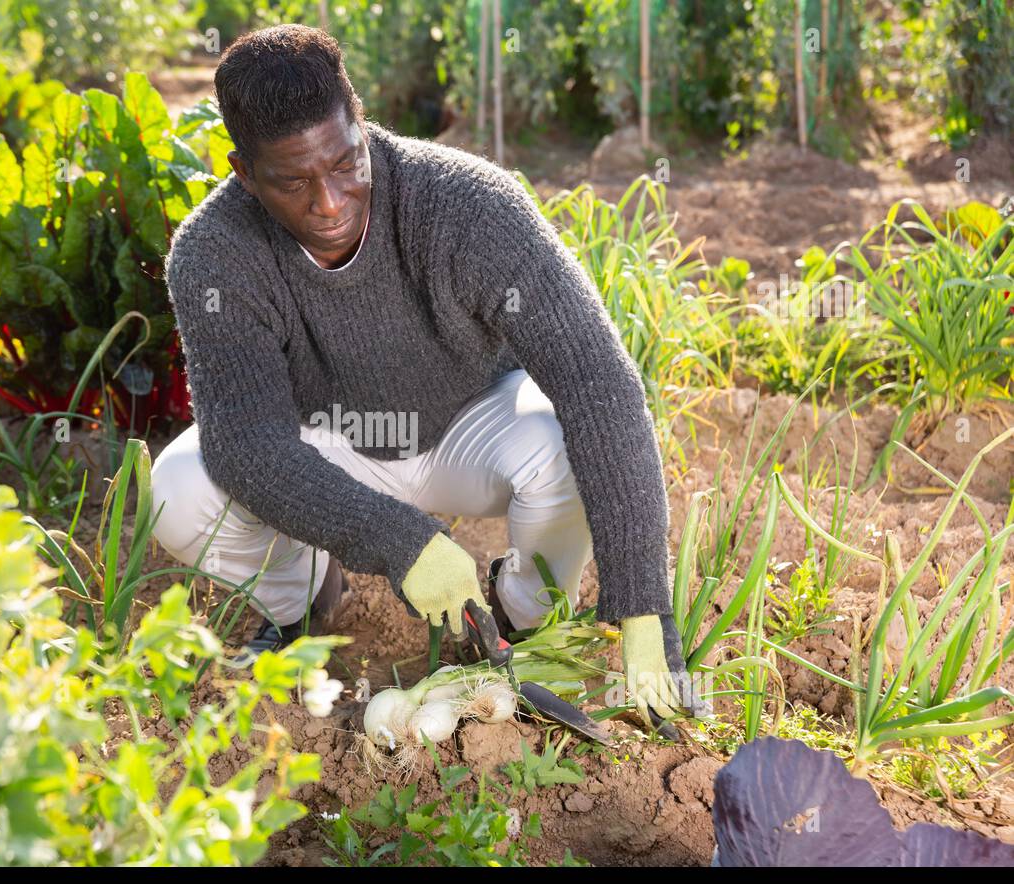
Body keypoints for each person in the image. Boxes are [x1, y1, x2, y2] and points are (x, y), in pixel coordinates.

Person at [152, 24, 699, 732]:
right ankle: (304, 604)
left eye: (347, 163)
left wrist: (644, 611)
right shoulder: (213, 255)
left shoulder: (468, 205)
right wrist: (398, 540)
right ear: (244, 173)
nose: (329, 202)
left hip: (470, 425)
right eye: (293, 182)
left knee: (565, 439)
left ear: (363, 124)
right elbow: (248, 447)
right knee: (179, 487)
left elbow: (599, 383)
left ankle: (522, 619)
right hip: (332, 447)